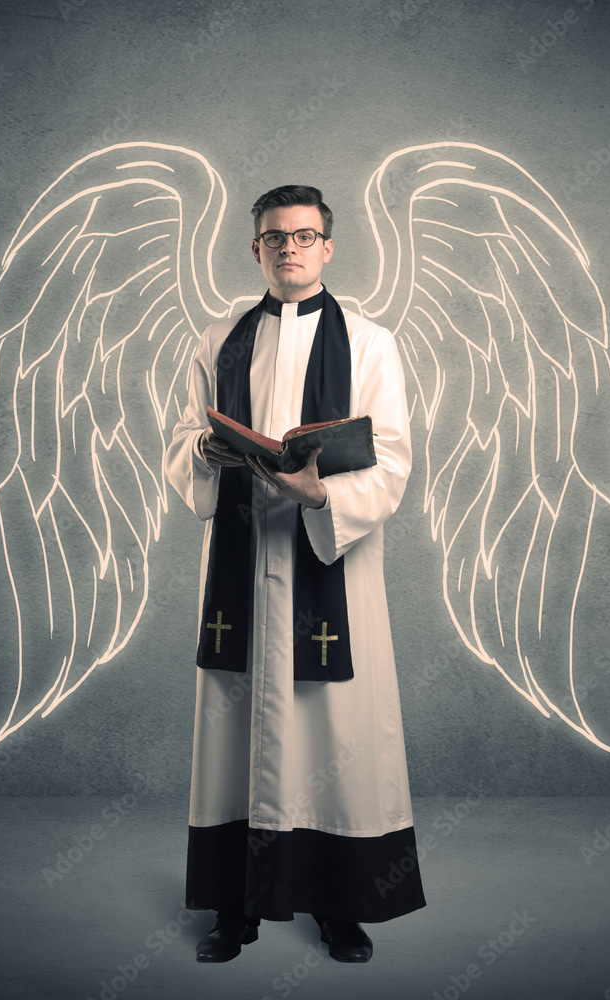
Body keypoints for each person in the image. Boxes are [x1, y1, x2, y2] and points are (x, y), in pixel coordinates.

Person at [163, 184, 425, 964]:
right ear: (256, 249)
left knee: (337, 737)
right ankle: (233, 910)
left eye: (304, 236)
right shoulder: (218, 338)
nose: (289, 248)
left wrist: (322, 494)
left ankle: (341, 907)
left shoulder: (371, 342)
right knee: (234, 739)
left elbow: (396, 454)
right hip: (240, 575)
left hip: (327, 567)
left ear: (327, 246)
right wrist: (204, 453)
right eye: (275, 238)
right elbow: (183, 432)